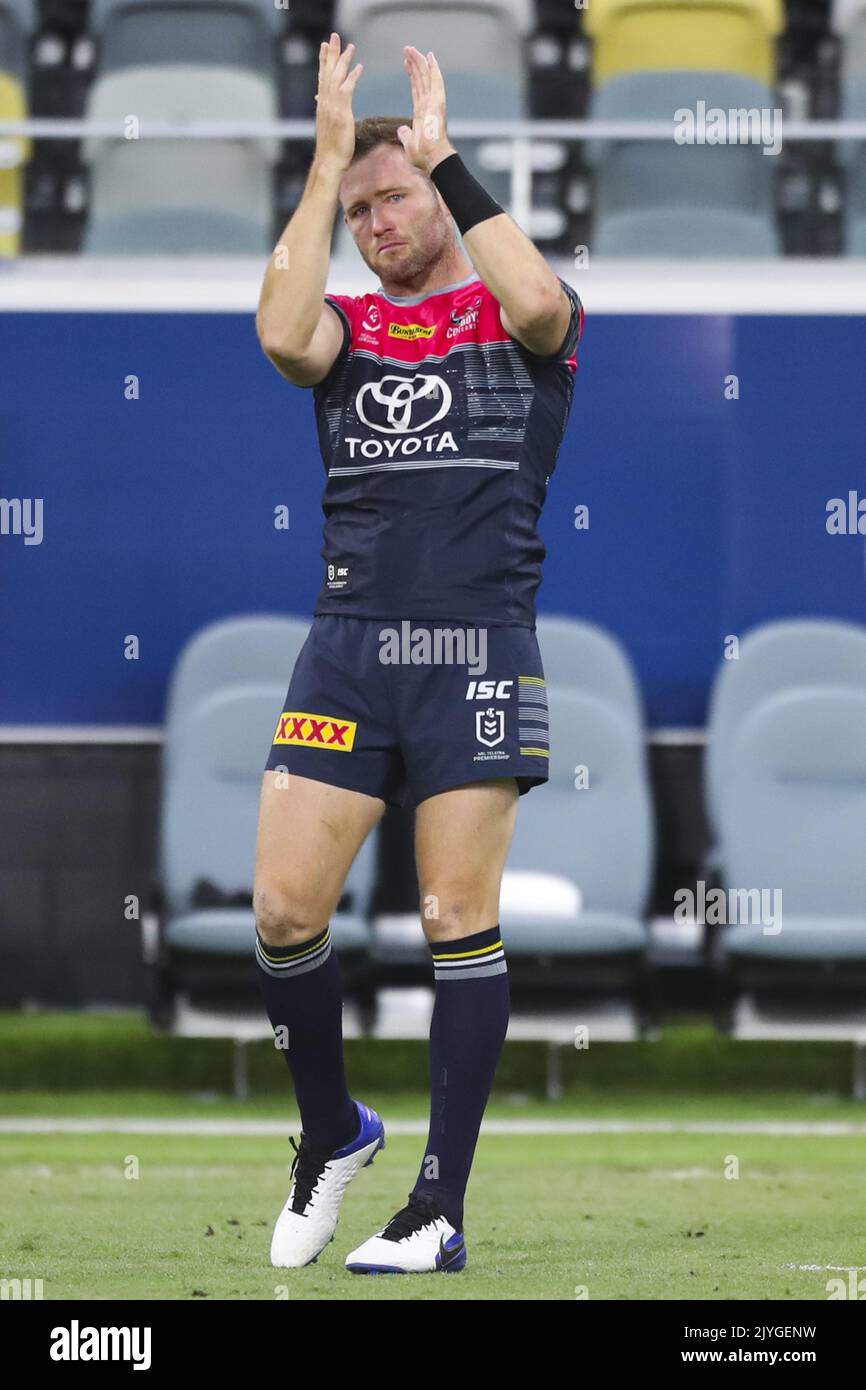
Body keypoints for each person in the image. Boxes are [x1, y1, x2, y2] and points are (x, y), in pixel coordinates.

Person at [253, 31, 583, 1274]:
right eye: (362, 211)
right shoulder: (344, 326)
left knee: (457, 912)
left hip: (476, 648)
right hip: (346, 650)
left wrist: (444, 161)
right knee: (283, 910)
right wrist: (327, 155)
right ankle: (333, 1131)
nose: (378, 223)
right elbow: (282, 335)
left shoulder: (510, 313)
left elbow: (545, 306)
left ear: (436, 198)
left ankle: (436, 1206)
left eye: (394, 199)